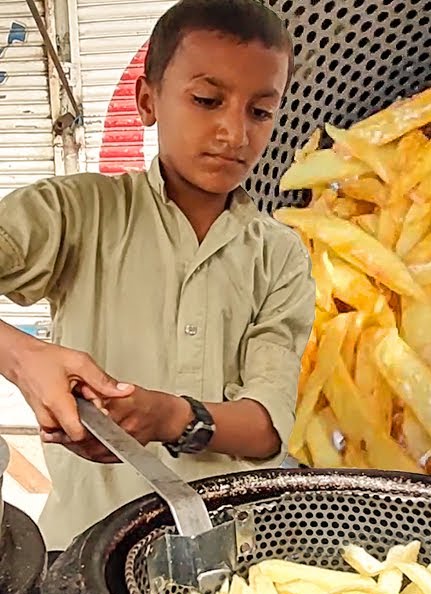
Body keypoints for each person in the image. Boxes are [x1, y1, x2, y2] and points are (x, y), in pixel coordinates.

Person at [0, 0, 314, 552]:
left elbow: (267, 426)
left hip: (234, 559)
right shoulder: (77, 212)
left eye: (260, 111)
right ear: (148, 101)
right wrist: (22, 357)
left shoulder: (280, 253)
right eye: (207, 100)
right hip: (83, 552)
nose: (234, 131)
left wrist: (170, 416)